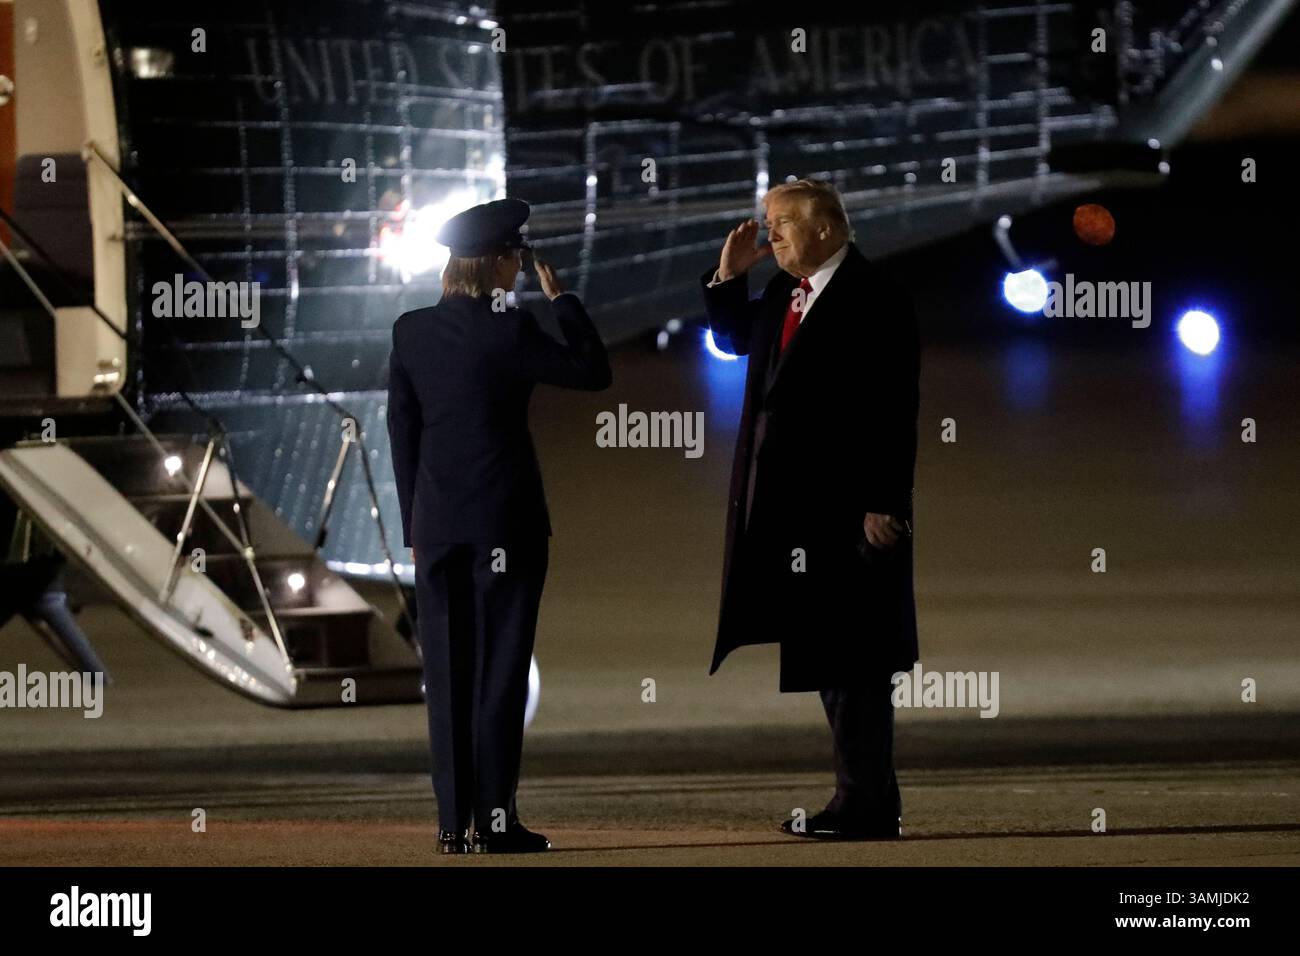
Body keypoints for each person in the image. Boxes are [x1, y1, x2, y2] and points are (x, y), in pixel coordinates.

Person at [386, 198, 612, 854]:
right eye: (516, 258)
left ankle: (453, 823)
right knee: (501, 671)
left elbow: (403, 431)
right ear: (498, 264)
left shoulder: (409, 331)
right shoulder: (509, 328)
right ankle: (498, 819)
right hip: (505, 525)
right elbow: (592, 373)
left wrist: (416, 523)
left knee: (449, 677)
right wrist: (563, 301)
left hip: (437, 528)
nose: (520, 268)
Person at [700, 179, 920, 840]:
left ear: (823, 229)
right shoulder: (782, 292)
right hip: (797, 514)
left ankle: (861, 804)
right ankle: (872, 797)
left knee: (855, 662)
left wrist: (883, 501)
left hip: (849, 513)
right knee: (834, 660)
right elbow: (736, 339)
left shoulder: (873, 296)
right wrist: (725, 277)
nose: (770, 238)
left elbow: (893, 407)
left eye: (780, 226)